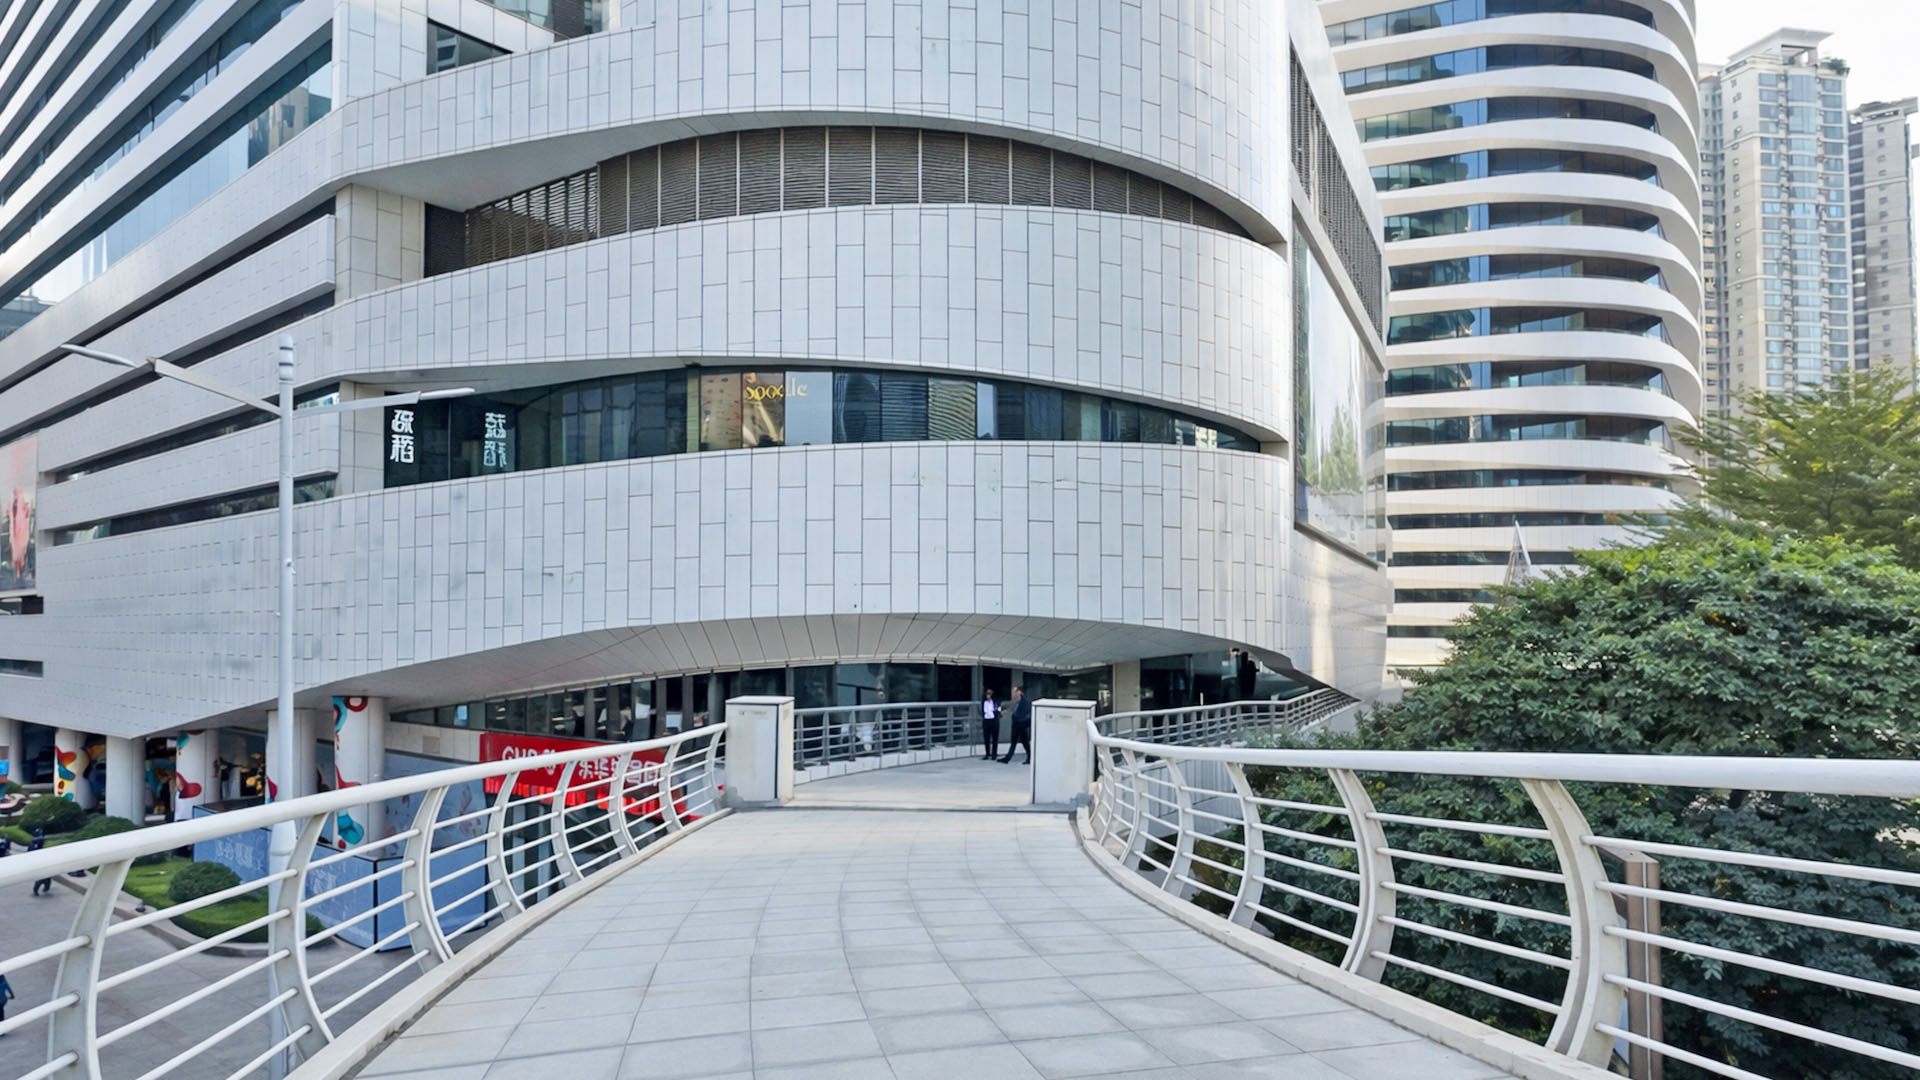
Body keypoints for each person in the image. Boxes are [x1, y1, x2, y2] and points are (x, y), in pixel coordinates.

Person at [999, 686, 1033, 765]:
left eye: (1014, 692)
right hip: (1016, 725)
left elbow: (1025, 714)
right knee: (1016, 742)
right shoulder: (1015, 702)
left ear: (1019, 692)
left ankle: (1029, 758)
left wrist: (1021, 721)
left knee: (1024, 743)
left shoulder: (1025, 703)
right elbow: (1010, 709)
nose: (1013, 694)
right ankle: (1007, 758)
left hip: (1021, 725)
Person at [28, 828, 50, 896]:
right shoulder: (38, 842)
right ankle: (40, 888)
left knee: (44, 877)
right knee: (44, 876)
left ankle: (41, 888)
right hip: (40, 862)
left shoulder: (34, 843)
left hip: (40, 862)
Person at [979, 689, 1000, 761]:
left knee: (994, 738)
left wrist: (996, 711)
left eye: (990, 694)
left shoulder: (995, 702)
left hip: (994, 721)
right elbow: (982, 711)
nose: (988, 696)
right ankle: (987, 753)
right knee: (986, 738)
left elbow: (998, 710)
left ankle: (994, 754)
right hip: (986, 721)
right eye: (987, 694)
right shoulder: (984, 702)